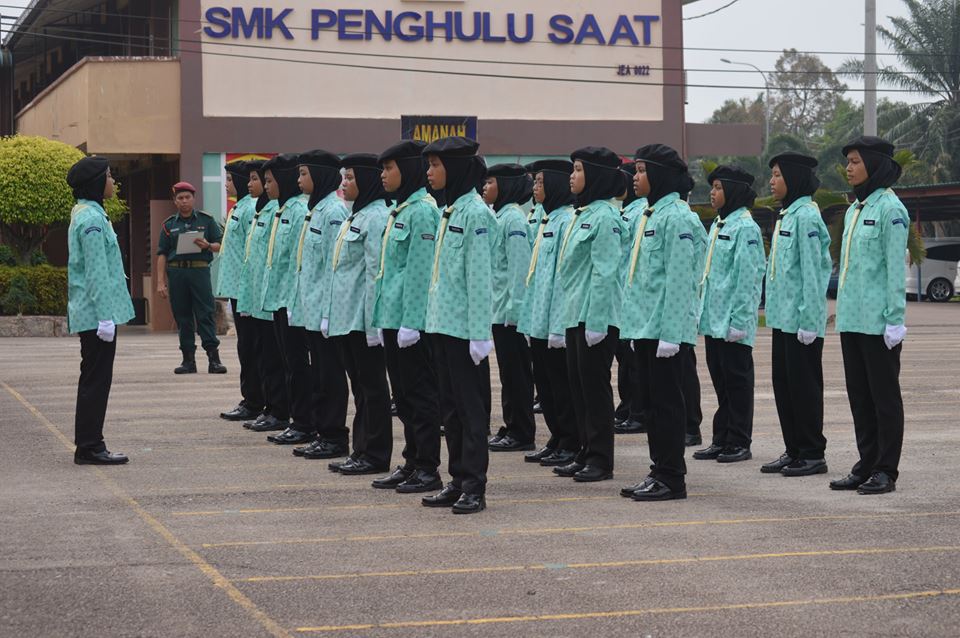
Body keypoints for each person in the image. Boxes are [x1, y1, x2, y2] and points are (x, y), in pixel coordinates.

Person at [619, 144, 704, 501]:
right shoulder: (648, 216)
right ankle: (659, 469)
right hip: (645, 326)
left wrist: (672, 334)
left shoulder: (679, 218)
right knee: (651, 406)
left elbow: (681, 279)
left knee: (668, 406)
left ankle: (672, 477)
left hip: (665, 331)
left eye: (641, 170)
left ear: (660, 175)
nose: (635, 178)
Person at [421, 136, 496, 514]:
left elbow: (480, 277)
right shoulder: (448, 211)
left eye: (436, 165)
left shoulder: (475, 214)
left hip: (465, 330)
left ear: (457, 168)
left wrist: (480, 333)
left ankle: (474, 485)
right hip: (442, 325)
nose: (430, 172)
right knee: (449, 409)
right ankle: (456, 479)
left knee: (470, 410)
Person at [830, 136, 908, 495]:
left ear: (874, 165)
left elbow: (894, 269)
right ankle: (866, 462)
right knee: (859, 396)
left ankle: (885, 470)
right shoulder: (854, 210)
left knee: (884, 398)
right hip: (852, 320)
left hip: (879, 323)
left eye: (855, 161)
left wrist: (895, 319)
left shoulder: (891, 210)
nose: (848, 168)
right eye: (847, 161)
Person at [370, 140, 444, 493]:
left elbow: (418, 271)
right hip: (392, 317)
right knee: (403, 396)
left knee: (420, 396)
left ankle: (428, 467)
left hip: (410, 322)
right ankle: (412, 461)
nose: (383, 175)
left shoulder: (423, 211)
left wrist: (412, 322)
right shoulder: (400, 210)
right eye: (383, 169)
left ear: (408, 169)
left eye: (390, 168)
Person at [550, 146, 626, 483]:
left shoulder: (606, 217)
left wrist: (596, 322)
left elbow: (605, 272)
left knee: (595, 389)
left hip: (595, 316)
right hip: (574, 312)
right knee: (578, 386)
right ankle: (584, 450)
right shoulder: (582, 214)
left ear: (594, 175)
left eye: (578, 169)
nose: (572, 176)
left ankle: (600, 458)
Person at [762, 152, 833, 477]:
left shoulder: (806, 216)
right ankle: (794, 449)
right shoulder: (787, 215)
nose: (772, 181)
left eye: (777, 175)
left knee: (804, 388)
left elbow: (814, 272)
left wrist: (809, 320)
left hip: (801, 321)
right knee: (785, 385)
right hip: (782, 318)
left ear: (793, 177)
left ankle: (811, 452)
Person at [323, 153, 393, 475]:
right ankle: (361, 450)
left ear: (364, 179)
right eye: (343, 177)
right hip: (346, 318)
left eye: (349, 177)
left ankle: (375, 454)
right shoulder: (356, 215)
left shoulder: (377, 217)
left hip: (361, 320)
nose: (344, 183)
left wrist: (371, 323)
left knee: (373, 388)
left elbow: (375, 272)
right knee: (360, 388)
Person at [692, 165, 765, 464]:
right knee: (721, 382)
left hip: (733, 321)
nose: (712, 193)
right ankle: (721, 438)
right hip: (714, 319)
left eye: (719, 188)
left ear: (733, 191)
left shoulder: (745, 227)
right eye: (712, 187)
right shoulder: (721, 224)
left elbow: (748, 277)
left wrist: (739, 320)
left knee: (737, 383)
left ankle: (738, 440)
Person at [66, 156, 134, 465]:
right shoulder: (91, 219)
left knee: (94, 378)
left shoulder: (89, 212)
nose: (112, 182)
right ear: (95, 182)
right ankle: (90, 446)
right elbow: (95, 271)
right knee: (96, 379)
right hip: (96, 315)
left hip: (94, 313)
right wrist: (105, 317)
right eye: (108, 176)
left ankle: (89, 443)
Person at [287, 150, 351, 460]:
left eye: (304, 173)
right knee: (319, 375)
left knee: (330, 376)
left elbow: (332, 267)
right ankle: (322, 432)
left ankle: (335, 436)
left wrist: (327, 313)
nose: (299, 180)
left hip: (325, 311)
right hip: (309, 308)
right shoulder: (315, 209)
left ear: (321, 175)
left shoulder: (333, 212)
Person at [517, 160, 580, 468]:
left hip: (556, 319)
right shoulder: (547, 218)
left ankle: (570, 441)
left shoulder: (567, 220)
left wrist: (557, 327)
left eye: (541, 182)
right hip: (539, 316)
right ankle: (557, 438)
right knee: (546, 383)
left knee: (561, 385)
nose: (535, 188)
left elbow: (564, 279)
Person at [259, 154, 313, 445]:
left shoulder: (300, 210)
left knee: (298, 364)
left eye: (270, 180)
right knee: (288, 363)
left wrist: (294, 302)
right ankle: (297, 419)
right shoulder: (281, 210)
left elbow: (297, 261)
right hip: (278, 298)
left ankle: (304, 421)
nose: (268, 186)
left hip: (293, 301)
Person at [484, 163, 536, 452]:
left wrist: (516, 314)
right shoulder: (500, 216)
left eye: (490, 182)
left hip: (510, 314)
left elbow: (519, 271)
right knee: (508, 373)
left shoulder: (513, 219)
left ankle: (522, 431)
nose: (485, 187)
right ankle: (512, 425)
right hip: (499, 310)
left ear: (503, 185)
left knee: (517, 374)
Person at [235, 162, 290, 432]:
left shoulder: (281, 211)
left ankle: (280, 410)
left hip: (276, 299)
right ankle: (271, 407)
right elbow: (253, 261)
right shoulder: (265, 211)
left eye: (264, 180)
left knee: (276, 359)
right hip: (259, 297)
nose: (257, 185)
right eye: (261, 180)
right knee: (263, 355)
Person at [156, 182, 227, 375]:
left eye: (187, 197)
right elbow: (162, 254)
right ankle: (188, 361)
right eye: (180, 198)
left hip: (199, 271)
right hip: (177, 273)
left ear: (193, 199)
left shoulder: (206, 220)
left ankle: (214, 359)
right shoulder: (169, 225)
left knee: (205, 314)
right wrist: (160, 282)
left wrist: (208, 245)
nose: (184, 201)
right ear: (175, 201)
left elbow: (221, 243)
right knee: (183, 316)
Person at [216, 160, 263, 422]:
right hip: (236, 288)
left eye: (231, 179)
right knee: (245, 347)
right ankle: (250, 397)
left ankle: (255, 400)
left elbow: (251, 254)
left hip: (246, 290)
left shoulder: (251, 209)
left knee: (252, 347)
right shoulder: (240, 207)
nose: (226, 184)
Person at [614, 162, 648, 435]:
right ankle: (627, 407)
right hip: (622, 296)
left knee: (633, 362)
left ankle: (638, 411)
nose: (631, 182)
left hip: (633, 295)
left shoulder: (640, 212)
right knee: (625, 361)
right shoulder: (625, 211)